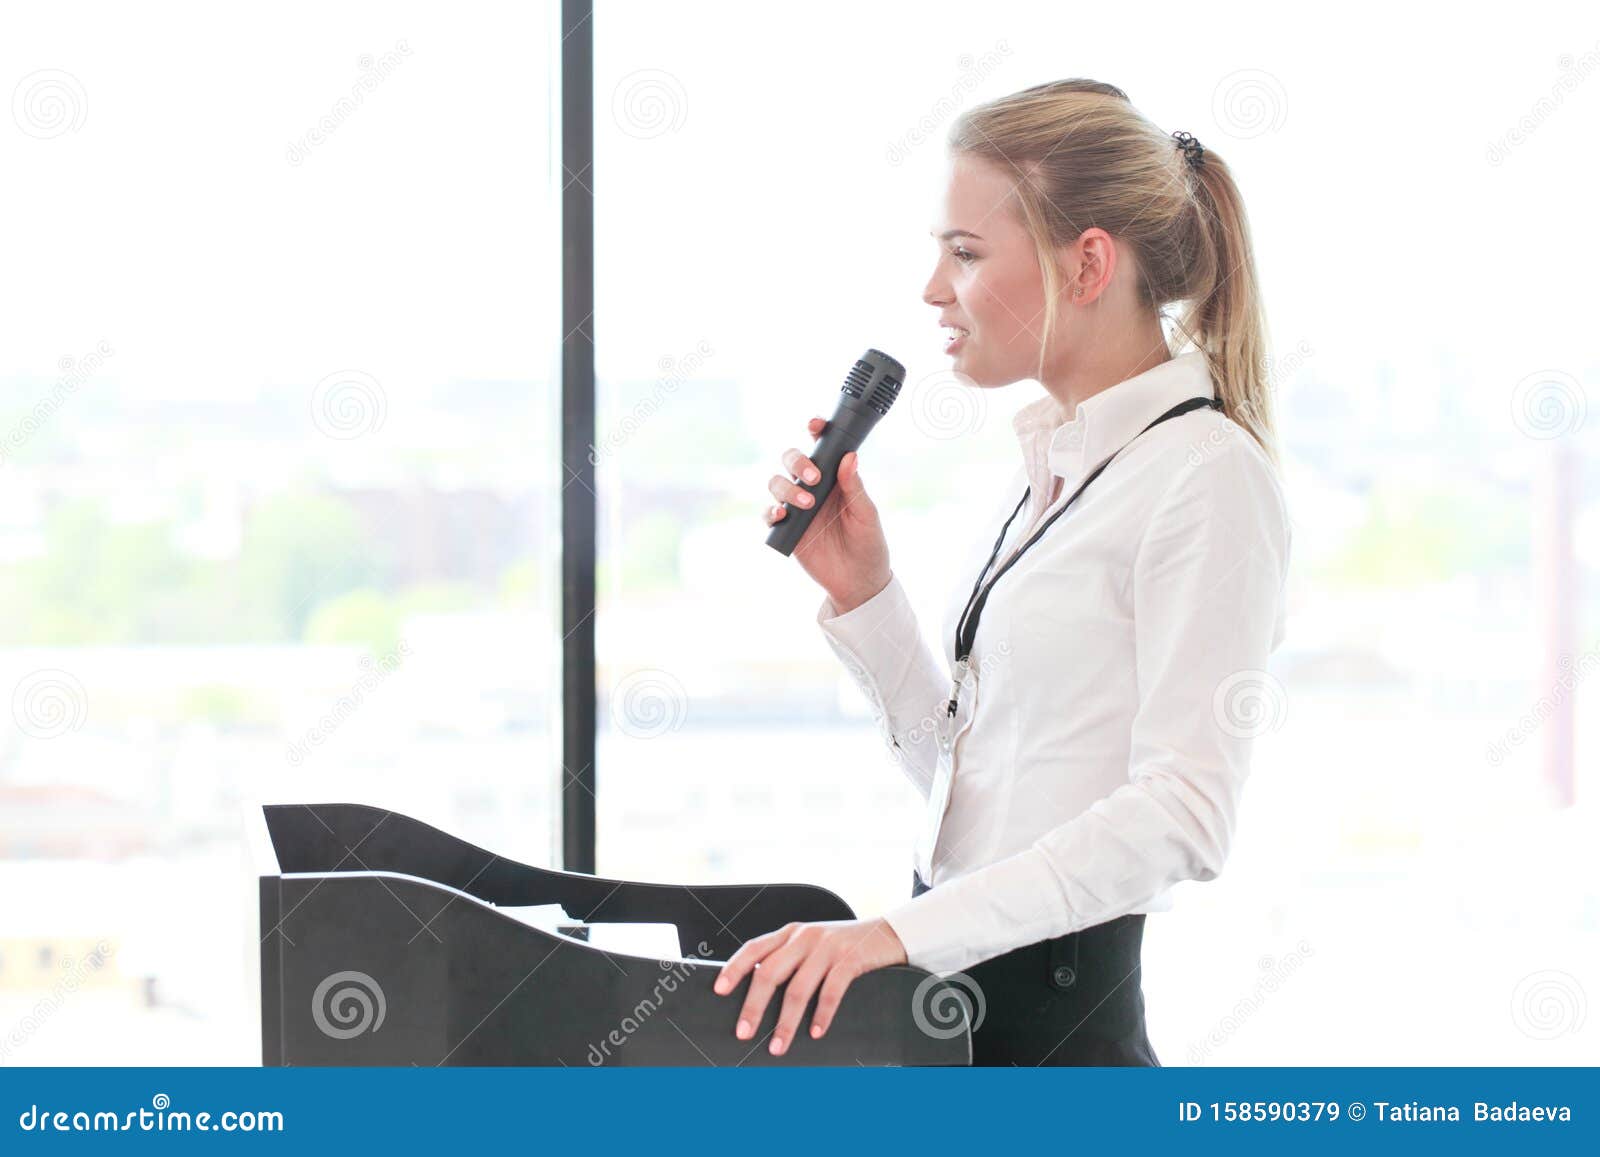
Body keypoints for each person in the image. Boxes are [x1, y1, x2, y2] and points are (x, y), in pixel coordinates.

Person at [714, 78, 1291, 1066]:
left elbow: (1185, 813)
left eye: (967, 253)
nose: (933, 288)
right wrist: (864, 594)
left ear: (1088, 263)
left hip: (1058, 1042)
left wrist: (895, 936)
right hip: (956, 1030)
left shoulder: (1205, 476)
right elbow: (977, 792)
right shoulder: (1048, 471)